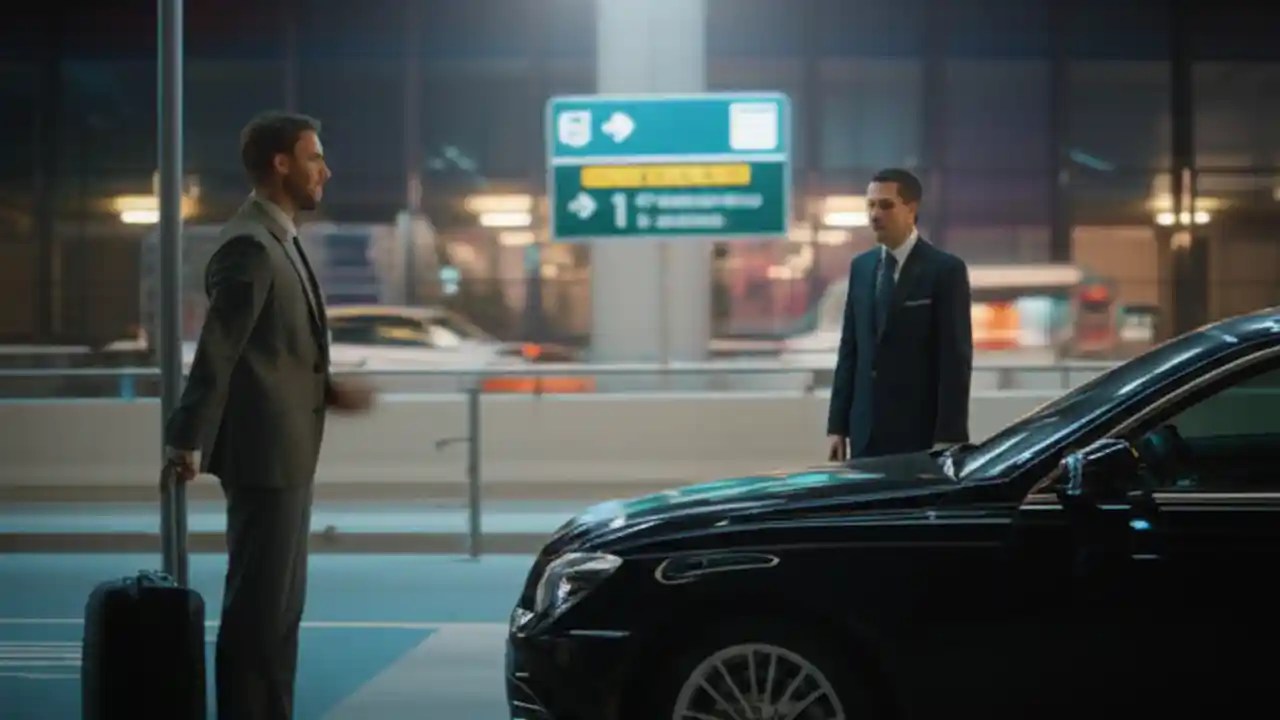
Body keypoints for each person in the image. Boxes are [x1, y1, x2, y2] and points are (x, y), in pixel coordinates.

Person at [161, 111, 375, 720]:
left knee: (280, 614)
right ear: (281, 164)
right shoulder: (251, 245)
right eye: (314, 158)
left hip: (288, 450)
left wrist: (328, 391)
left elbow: (270, 349)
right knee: (259, 616)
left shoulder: (278, 238)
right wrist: (185, 441)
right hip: (264, 456)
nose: (325, 172)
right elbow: (218, 350)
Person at [826, 168, 972, 461]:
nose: (875, 214)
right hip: (865, 432)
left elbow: (955, 359)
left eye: (886, 205)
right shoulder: (862, 268)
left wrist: (950, 436)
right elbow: (850, 352)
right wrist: (837, 426)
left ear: (911, 209)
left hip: (920, 433)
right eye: (871, 205)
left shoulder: (944, 270)